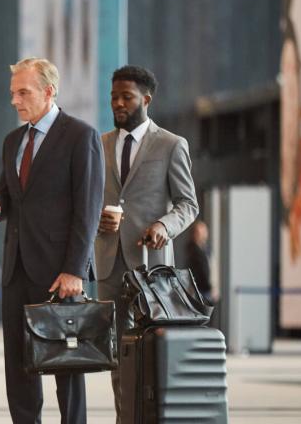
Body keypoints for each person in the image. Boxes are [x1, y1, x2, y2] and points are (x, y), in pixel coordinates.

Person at [0, 57, 104, 424]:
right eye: (13, 93)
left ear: (48, 91)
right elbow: (7, 198)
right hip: (16, 269)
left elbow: (88, 209)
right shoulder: (13, 140)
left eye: (23, 92)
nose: (15, 100)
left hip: (59, 273)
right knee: (18, 365)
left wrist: (75, 269)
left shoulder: (80, 136)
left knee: (66, 366)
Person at [93, 65, 199, 421]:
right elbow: (87, 203)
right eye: (113, 97)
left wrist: (163, 226)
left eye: (126, 97)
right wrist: (98, 219)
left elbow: (188, 204)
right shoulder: (99, 144)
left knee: (153, 353)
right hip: (109, 266)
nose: (118, 103)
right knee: (117, 354)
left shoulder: (171, 145)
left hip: (152, 271)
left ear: (146, 99)